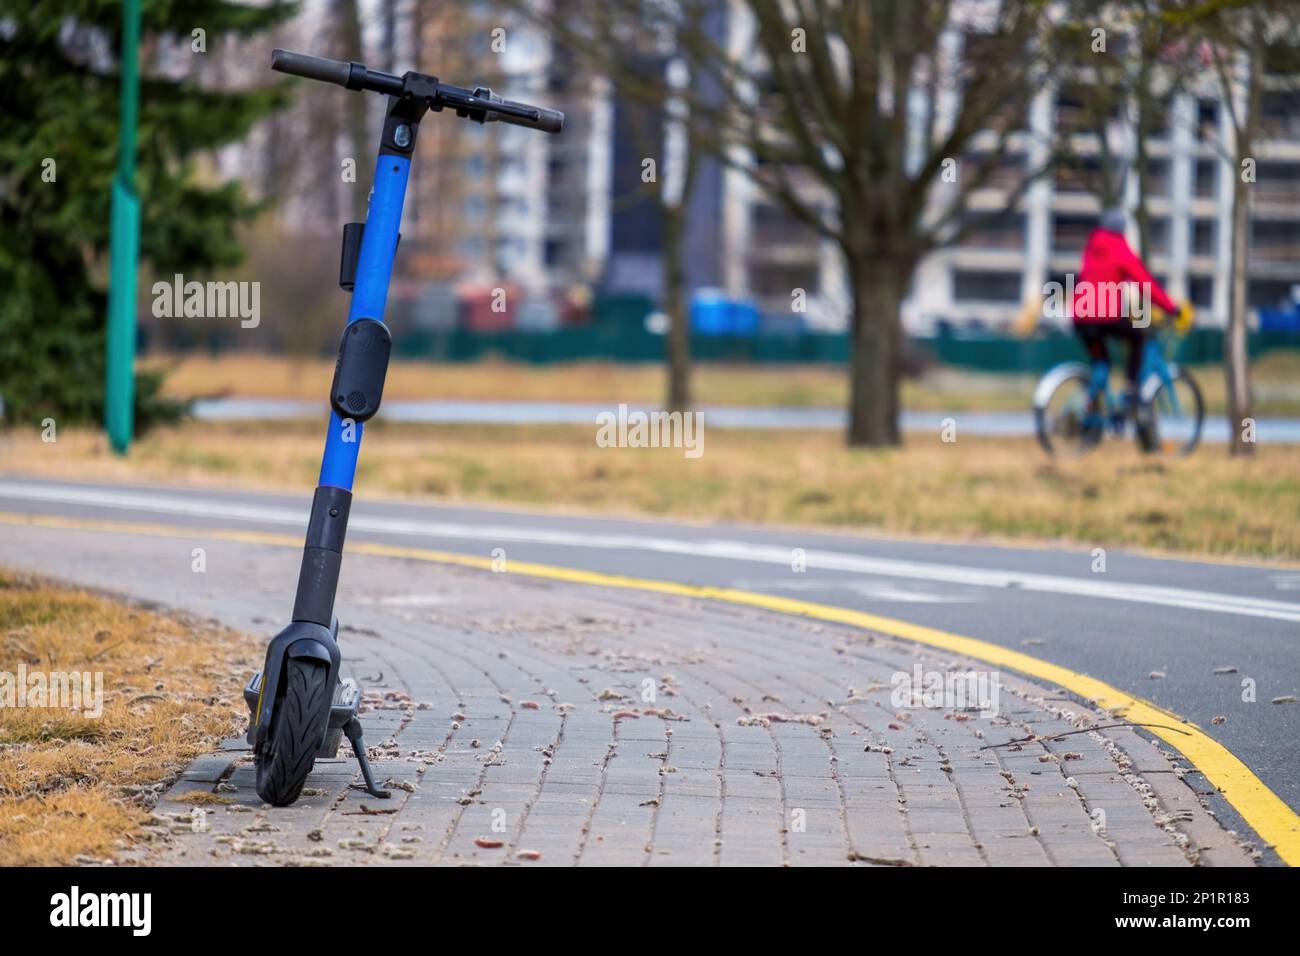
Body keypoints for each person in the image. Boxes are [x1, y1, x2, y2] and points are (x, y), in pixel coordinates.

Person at [1071, 208, 1189, 446]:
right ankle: (1131, 390)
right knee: (1138, 338)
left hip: (1081, 317)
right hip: (1105, 316)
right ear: (1122, 229)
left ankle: (1090, 416)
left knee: (1101, 363)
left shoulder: (1092, 246)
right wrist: (1170, 307)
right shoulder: (1120, 248)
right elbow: (1145, 283)